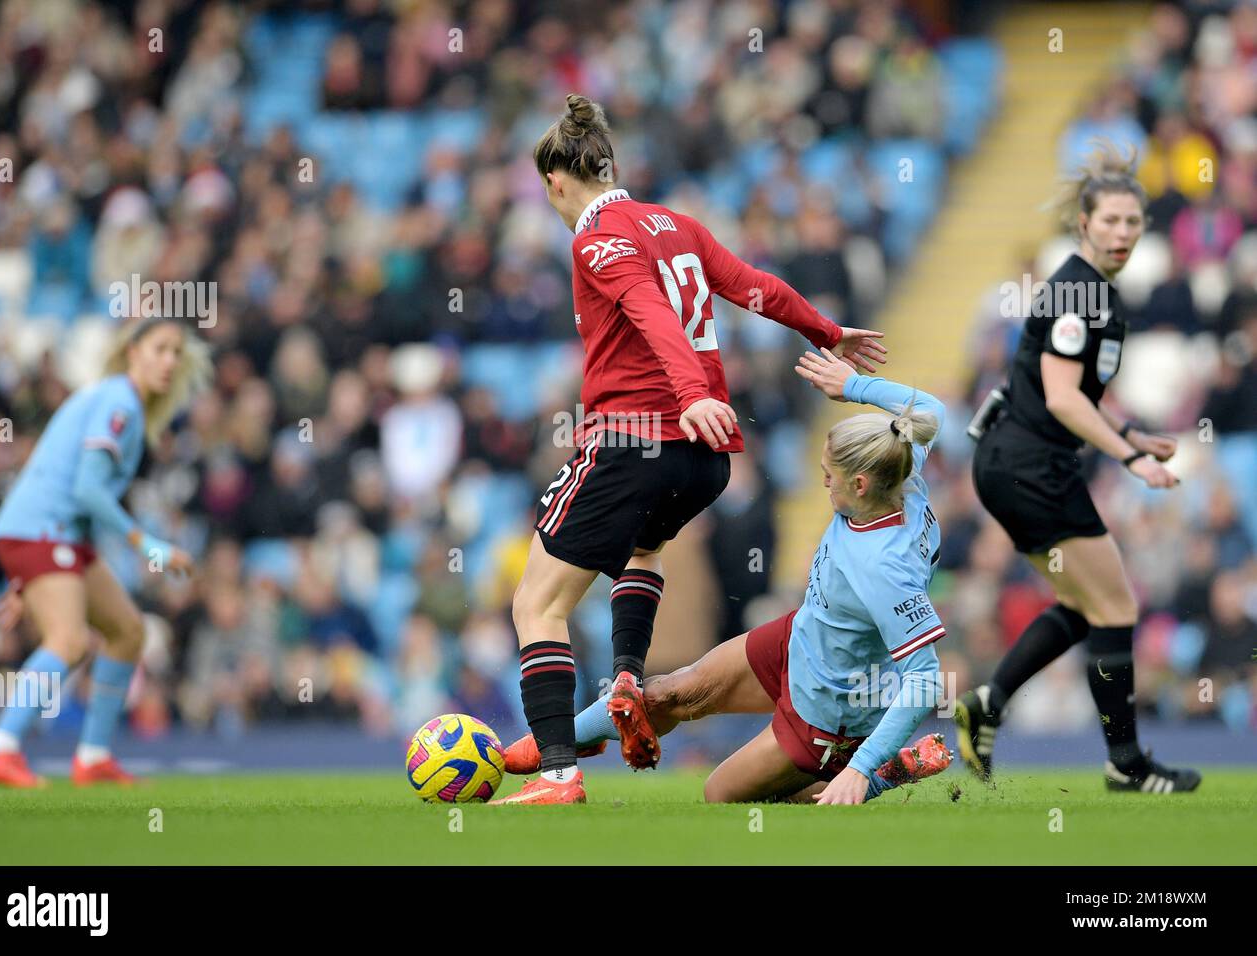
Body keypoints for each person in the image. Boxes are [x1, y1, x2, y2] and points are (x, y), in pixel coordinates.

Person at [495, 94, 888, 805]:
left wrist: (688, 393)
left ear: (556, 181)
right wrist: (828, 332)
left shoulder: (594, 239)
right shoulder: (677, 224)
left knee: (537, 606)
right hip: (704, 460)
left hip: (637, 437)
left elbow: (646, 309)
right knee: (641, 550)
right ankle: (624, 678)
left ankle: (559, 774)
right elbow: (755, 289)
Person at [503, 350, 953, 805]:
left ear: (859, 485)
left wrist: (861, 767)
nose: (823, 483)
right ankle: (540, 749)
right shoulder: (900, 470)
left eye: (828, 476)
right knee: (671, 693)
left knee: (721, 794)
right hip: (800, 638)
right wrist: (852, 385)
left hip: (831, 702)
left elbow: (924, 680)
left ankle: (885, 772)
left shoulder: (883, 567)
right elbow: (930, 411)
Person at [956, 144, 1200, 794]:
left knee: (1082, 602)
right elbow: (1061, 398)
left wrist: (1128, 432)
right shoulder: (1079, 293)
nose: (1122, 232)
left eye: (1132, 222)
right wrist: (1131, 462)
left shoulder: (1088, 289)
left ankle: (989, 703)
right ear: (1085, 223)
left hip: (1016, 461)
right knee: (1116, 605)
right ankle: (1125, 763)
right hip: (1031, 465)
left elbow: (1068, 396)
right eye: (1110, 220)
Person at [0, 316, 209, 788]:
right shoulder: (119, 402)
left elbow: (63, 480)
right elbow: (87, 491)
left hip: (57, 536)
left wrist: (28, 578)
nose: (169, 361)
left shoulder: (123, 404)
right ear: (132, 351)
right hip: (46, 531)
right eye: (160, 349)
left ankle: (94, 757)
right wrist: (150, 546)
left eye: (176, 354)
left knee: (127, 631)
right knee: (70, 639)